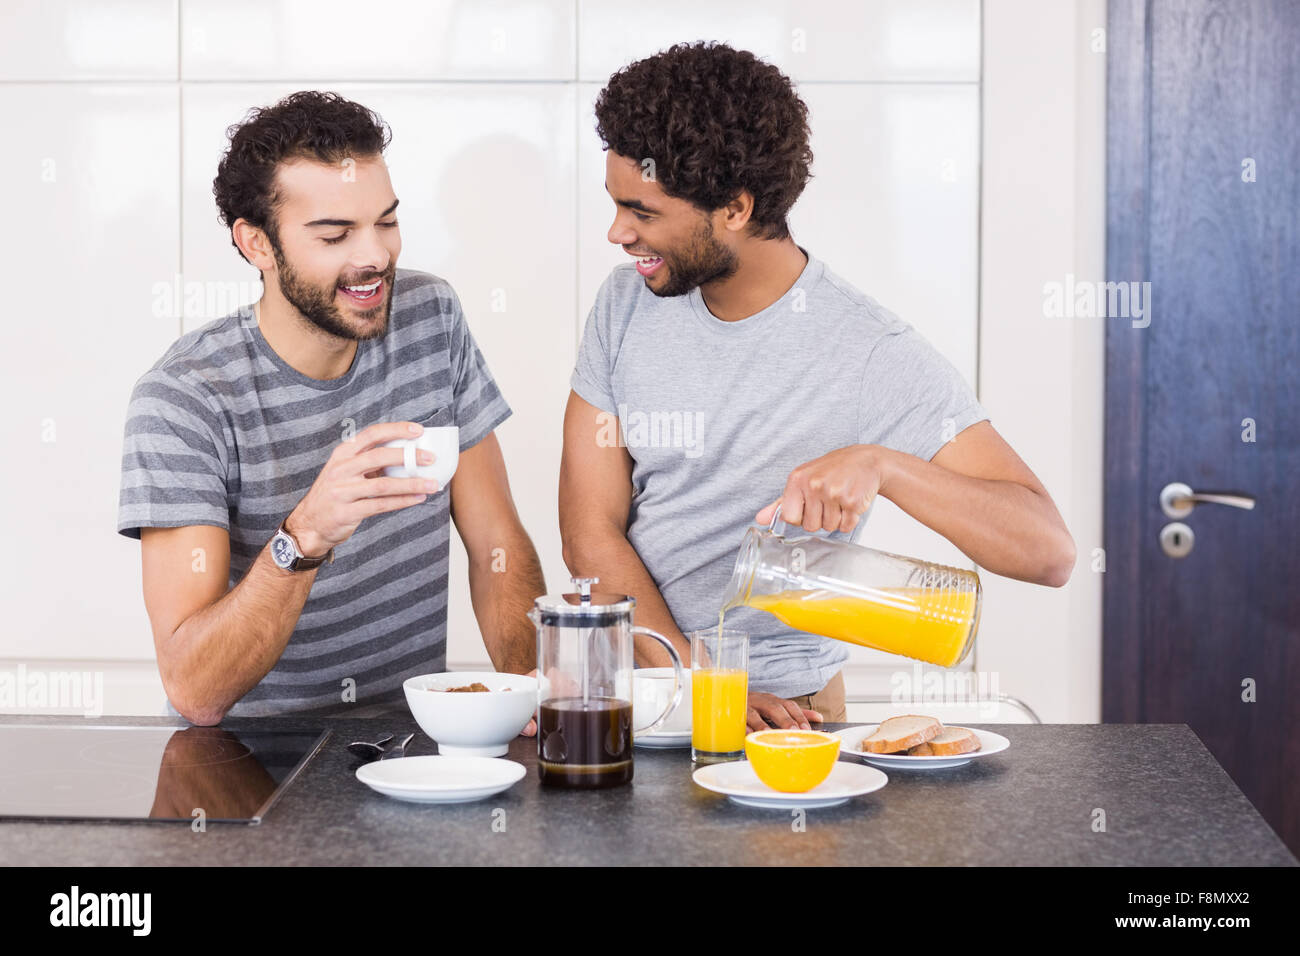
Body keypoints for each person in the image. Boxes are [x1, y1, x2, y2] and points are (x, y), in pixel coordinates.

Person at [560, 43, 1075, 732]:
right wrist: (697, 687)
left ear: (735, 209)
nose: (617, 232)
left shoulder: (868, 351)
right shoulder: (624, 306)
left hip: (785, 718)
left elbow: (1049, 551)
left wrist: (886, 465)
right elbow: (588, 530)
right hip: (641, 698)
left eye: (642, 211)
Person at [118, 91, 544, 724]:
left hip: (412, 748)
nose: (374, 256)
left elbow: (496, 546)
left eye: (386, 221)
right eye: (335, 234)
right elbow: (194, 689)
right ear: (257, 244)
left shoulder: (429, 318)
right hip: (250, 768)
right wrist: (306, 533)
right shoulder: (184, 399)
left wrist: (531, 700)